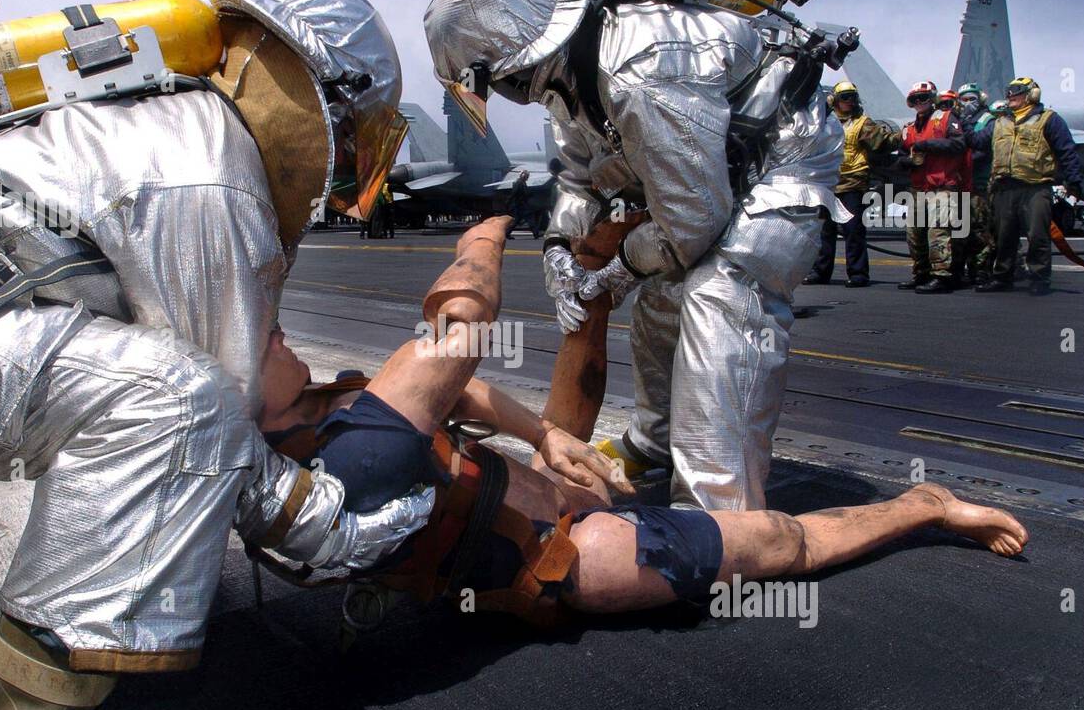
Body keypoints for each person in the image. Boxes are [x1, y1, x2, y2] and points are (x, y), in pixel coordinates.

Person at [0, 0, 418, 710]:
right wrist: (337, 532)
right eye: (354, 137)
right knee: (172, 400)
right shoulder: (209, 172)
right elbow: (215, 416)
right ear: (322, 101)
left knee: (162, 403)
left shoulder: (181, 125)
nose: (346, 170)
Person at [254, 215, 1029, 629]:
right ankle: (923, 507)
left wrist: (546, 437)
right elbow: (460, 327)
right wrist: (485, 233)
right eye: (262, 340)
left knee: (571, 398)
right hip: (558, 556)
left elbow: (453, 400)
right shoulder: (353, 457)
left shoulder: (332, 408)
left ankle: (594, 287)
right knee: (777, 544)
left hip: (521, 487)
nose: (276, 331)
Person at [424, 0, 847, 513]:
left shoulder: (638, 74)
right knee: (663, 296)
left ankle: (717, 505)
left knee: (721, 292)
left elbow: (692, 226)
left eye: (489, 81)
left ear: (511, 64)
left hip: (781, 160)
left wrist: (612, 274)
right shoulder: (569, 77)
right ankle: (658, 439)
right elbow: (581, 176)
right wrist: (559, 252)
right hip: (716, 168)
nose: (497, 93)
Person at [970, 77, 1084, 295]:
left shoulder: (1049, 120)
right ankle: (1002, 277)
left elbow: (1066, 150)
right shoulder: (1000, 122)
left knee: (1037, 235)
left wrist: (1074, 181)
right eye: (1009, 91)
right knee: (1004, 237)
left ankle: (1039, 278)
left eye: (1017, 91)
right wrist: (960, 119)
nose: (1010, 95)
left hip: (1035, 187)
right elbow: (976, 141)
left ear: (1032, 94)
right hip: (1004, 188)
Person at [804, 81, 899, 287]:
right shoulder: (822, 121)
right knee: (824, 231)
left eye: (852, 97)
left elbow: (883, 142)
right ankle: (820, 272)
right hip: (827, 182)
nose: (849, 101)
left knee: (853, 230)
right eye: (845, 97)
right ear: (835, 100)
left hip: (853, 182)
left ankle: (858, 274)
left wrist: (907, 136)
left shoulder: (862, 123)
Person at [898, 80, 969, 293]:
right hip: (919, 188)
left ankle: (942, 276)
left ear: (932, 99)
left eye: (924, 98)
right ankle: (921, 273)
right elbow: (901, 154)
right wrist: (906, 161)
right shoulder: (908, 129)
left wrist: (927, 145)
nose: (920, 102)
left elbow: (959, 144)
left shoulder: (946, 118)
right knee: (914, 233)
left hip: (943, 186)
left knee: (938, 232)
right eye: (915, 99)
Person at [954, 82, 997, 285]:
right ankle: (961, 271)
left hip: (980, 184)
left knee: (980, 230)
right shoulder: (958, 121)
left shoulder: (989, 120)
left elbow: (985, 147)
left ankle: (981, 271)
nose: (967, 103)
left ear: (980, 98)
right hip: (961, 184)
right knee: (960, 230)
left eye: (971, 98)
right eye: (963, 99)